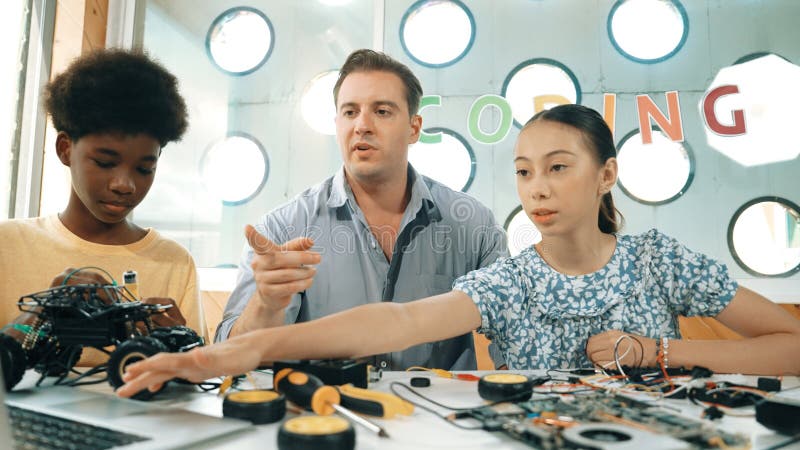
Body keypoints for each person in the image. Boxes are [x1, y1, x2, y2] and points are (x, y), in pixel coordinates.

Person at [117, 103, 800, 396]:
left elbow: (790, 347)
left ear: (608, 175)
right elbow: (401, 321)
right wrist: (252, 346)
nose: (538, 189)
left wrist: (661, 353)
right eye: (525, 171)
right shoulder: (508, 279)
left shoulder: (658, 260)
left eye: (559, 167)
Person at [217, 49, 507, 370]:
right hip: (327, 413)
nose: (362, 126)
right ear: (337, 123)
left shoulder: (473, 226)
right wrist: (265, 304)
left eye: (382, 111)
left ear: (414, 128)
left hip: (442, 416)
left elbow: (516, 338)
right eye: (350, 112)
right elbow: (230, 356)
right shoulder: (284, 229)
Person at [0, 49, 206, 367]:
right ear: (65, 149)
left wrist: (182, 348)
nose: (125, 184)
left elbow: (195, 390)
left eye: (144, 169)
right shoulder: (7, 246)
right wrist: (41, 312)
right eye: (105, 162)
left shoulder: (174, 263)